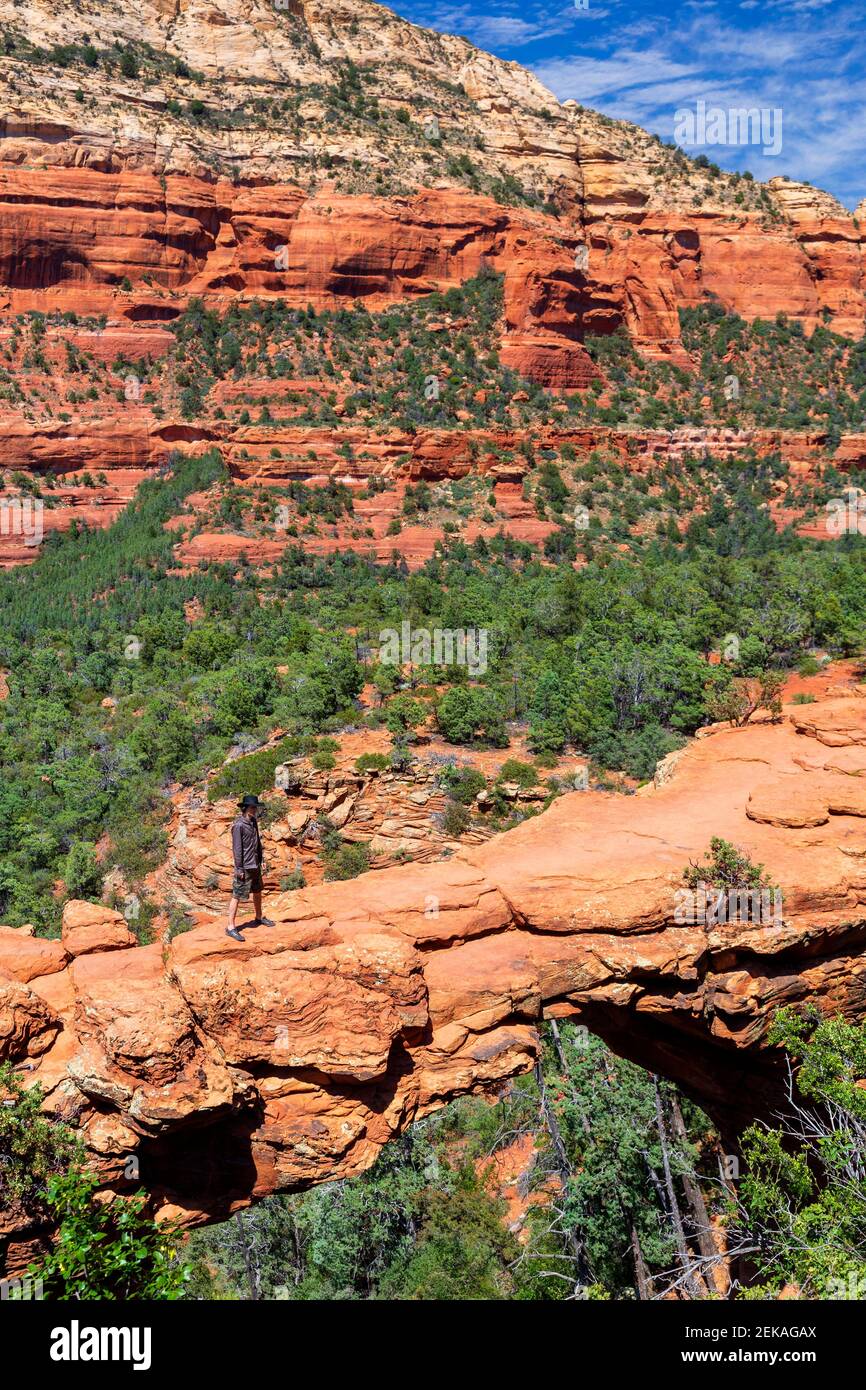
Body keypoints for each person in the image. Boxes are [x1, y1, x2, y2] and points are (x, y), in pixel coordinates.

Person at [226, 795, 275, 942]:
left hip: (255, 864)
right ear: (245, 808)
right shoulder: (238, 826)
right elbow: (237, 850)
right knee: (237, 895)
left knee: (258, 890)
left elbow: (257, 843)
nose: (255, 810)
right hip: (244, 867)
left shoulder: (253, 822)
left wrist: (261, 859)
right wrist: (239, 869)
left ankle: (259, 917)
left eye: (256, 807)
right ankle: (230, 927)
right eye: (253, 807)